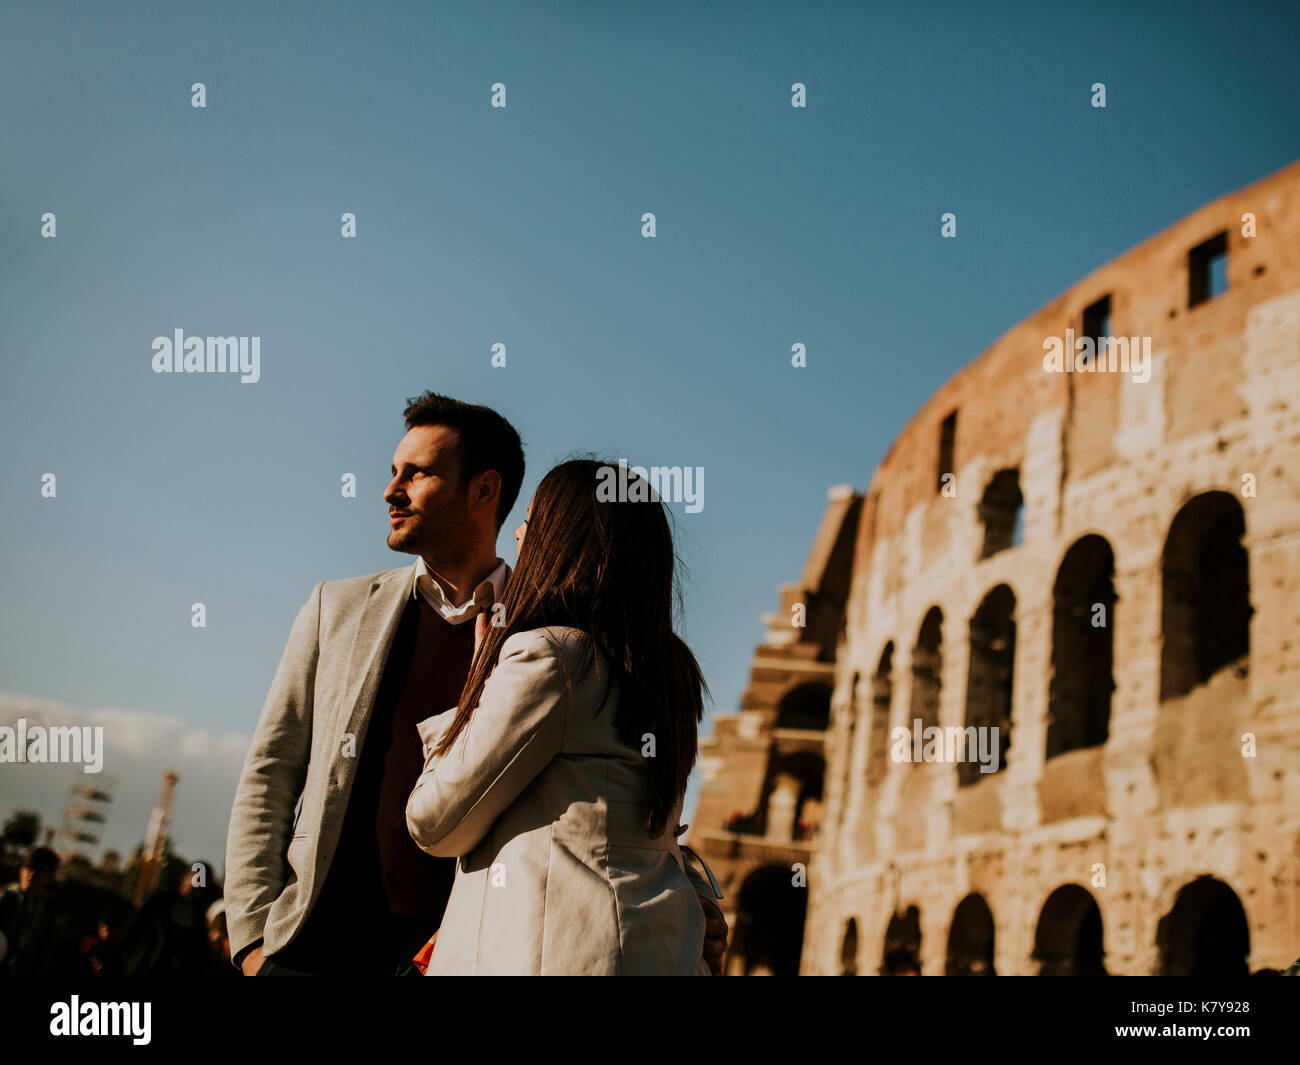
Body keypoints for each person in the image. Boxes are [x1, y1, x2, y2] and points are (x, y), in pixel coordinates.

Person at [225, 393, 727, 975]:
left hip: (464, 952)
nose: (392, 490)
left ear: (484, 492)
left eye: (417, 474)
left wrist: (690, 894)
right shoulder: (335, 609)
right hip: (314, 948)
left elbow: (616, 801)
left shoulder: (552, 634)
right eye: (394, 472)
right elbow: (271, 769)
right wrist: (252, 940)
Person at [406, 459, 712, 974]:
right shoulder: (668, 671)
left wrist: (476, 688)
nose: (520, 536)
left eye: (533, 520)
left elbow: (434, 823)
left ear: (563, 540)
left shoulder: (552, 658)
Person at [0, 846, 62, 977]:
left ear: (50, 877)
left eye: (40, 870)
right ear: (21, 870)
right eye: (29, 867)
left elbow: (47, 947)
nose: (32, 874)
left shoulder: (50, 907)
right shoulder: (6, 897)